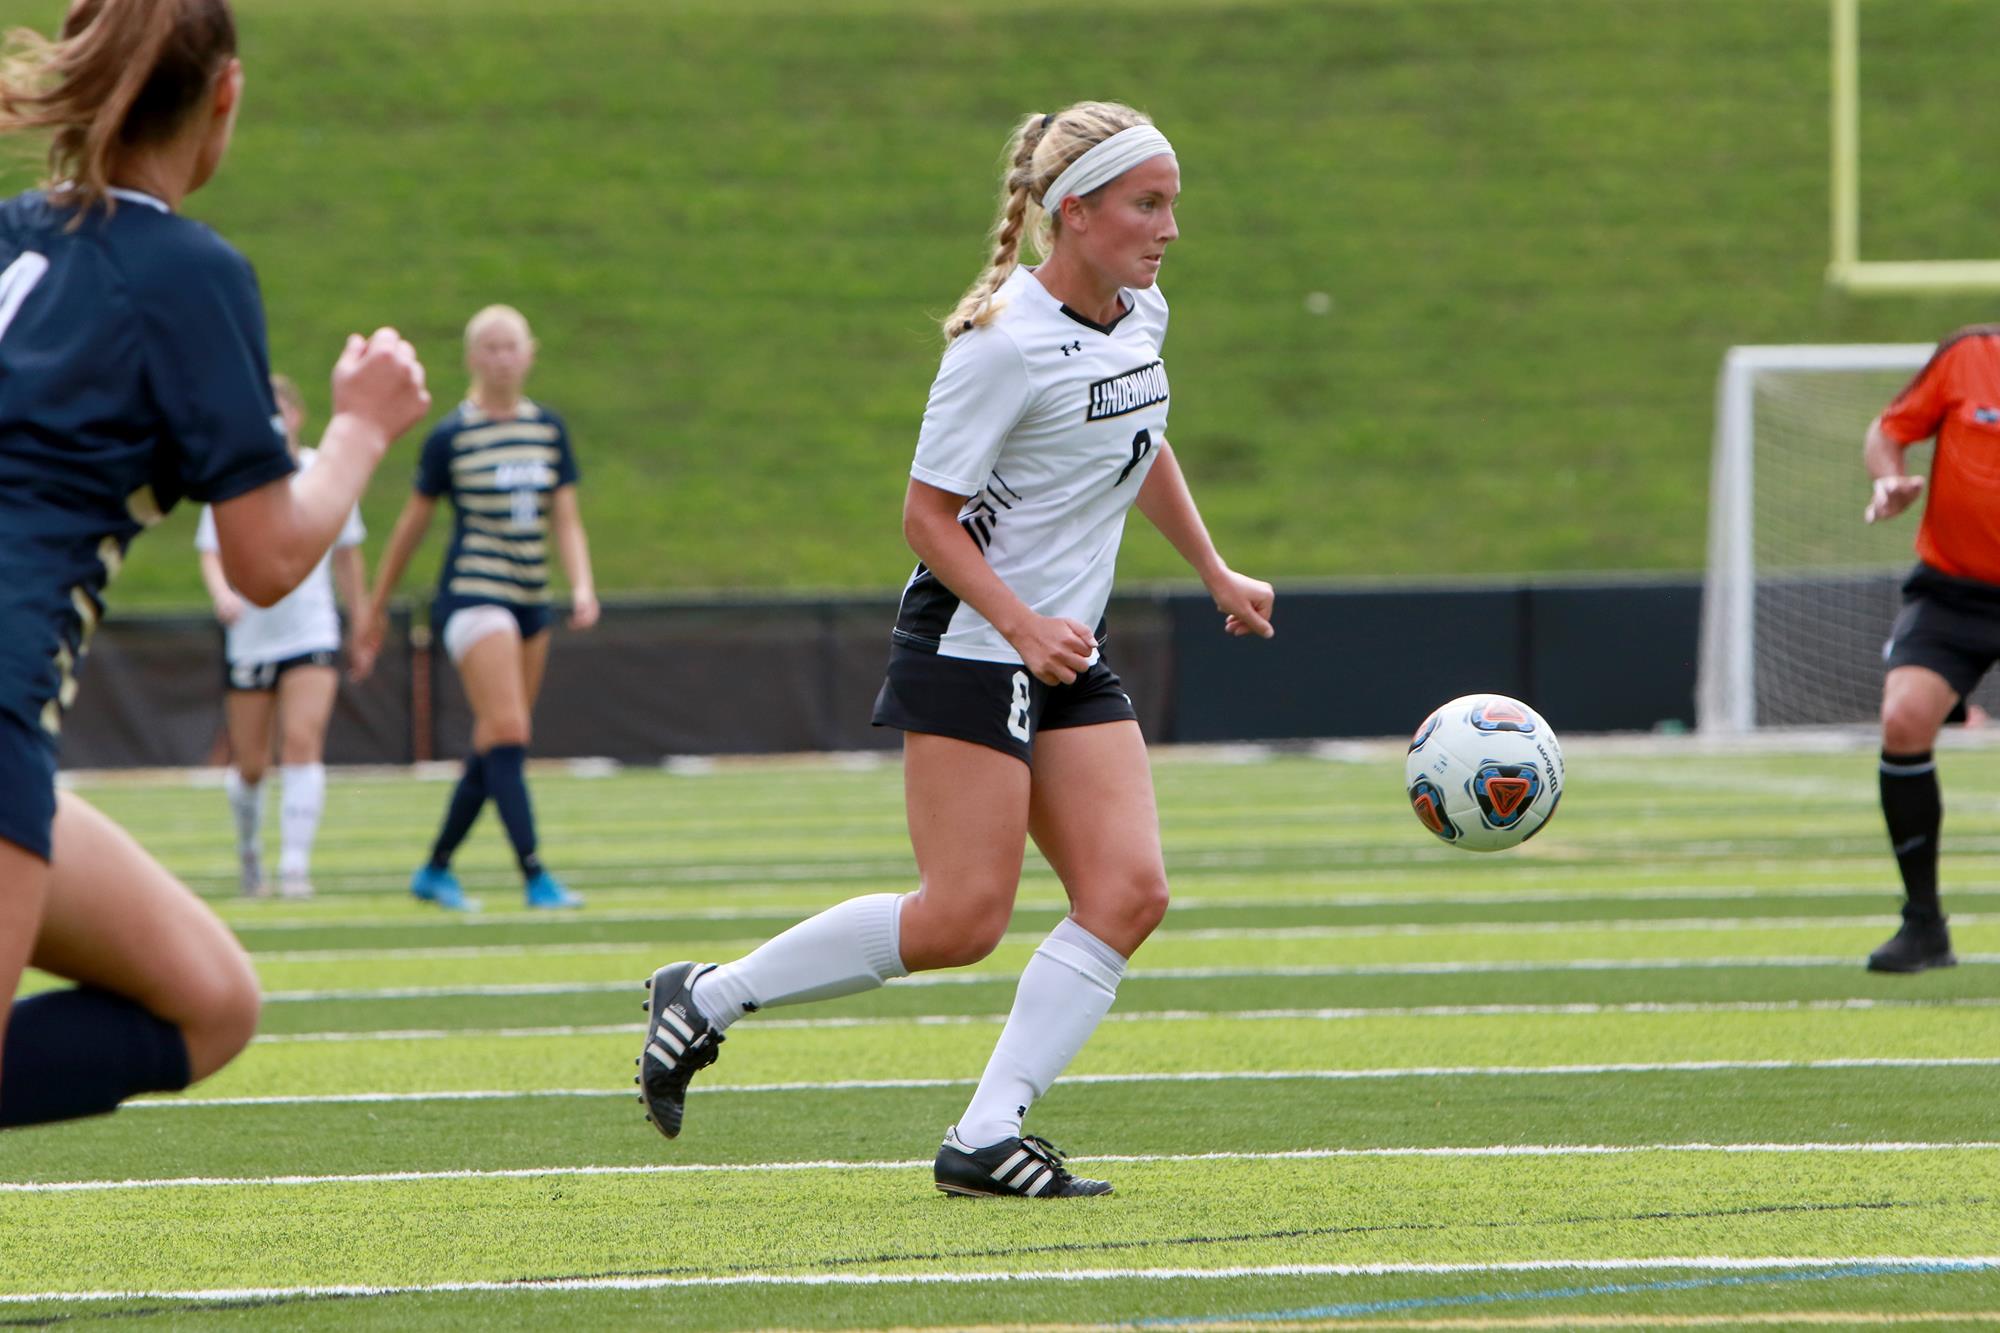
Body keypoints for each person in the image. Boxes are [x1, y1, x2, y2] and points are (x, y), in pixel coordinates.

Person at [636, 102, 1275, 1197]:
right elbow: (925, 519)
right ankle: (707, 994)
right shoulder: (998, 347)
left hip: (1062, 650)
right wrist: (1022, 625)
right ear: (1072, 212)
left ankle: (987, 1132)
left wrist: (1211, 566)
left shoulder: (1138, 309)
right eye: (1147, 203)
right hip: (975, 644)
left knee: (1128, 892)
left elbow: (1137, 434)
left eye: (1172, 203)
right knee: (960, 917)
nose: (1169, 228)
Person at [0, 0, 430, 1128]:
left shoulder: (8, 234)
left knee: (207, 998)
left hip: (12, 722)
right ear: (224, 96)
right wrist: (360, 428)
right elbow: (273, 551)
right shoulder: (185, 271)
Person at [354, 305, 597, 913]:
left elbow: (565, 517)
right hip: (472, 594)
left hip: (531, 599)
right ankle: (535, 875)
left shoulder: (548, 429)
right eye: (489, 347)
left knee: (499, 741)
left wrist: (583, 585)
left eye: (510, 346)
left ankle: (435, 869)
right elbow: (413, 525)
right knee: (509, 730)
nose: (501, 358)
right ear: (470, 358)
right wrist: (376, 605)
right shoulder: (452, 435)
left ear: (530, 353)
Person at [1856, 326, 2000, 973]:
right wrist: (1890, 480)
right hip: (1953, 590)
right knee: (1904, 719)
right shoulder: (1969, 355)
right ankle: (1923, 926)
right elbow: (1887, 431)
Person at [196, 373, 367, 901]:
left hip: (310, 627)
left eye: (282, 408)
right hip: (251, 632)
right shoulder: (237, 473)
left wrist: (361, 619)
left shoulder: (322, 472)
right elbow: (211, 548)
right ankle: (251, 853)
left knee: (302, 741)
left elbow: (347, 552)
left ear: (298, 415)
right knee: (250, 763)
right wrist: (223, 593)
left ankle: (295, 865)